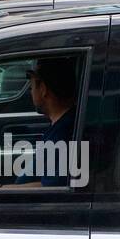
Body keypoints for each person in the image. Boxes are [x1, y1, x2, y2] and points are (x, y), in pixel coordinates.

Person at [27, 56, 77, 186]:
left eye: (31, 86)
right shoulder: (62, 125)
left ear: (43, 89)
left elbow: (49, 188)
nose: (30, 92)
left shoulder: (63, 135)